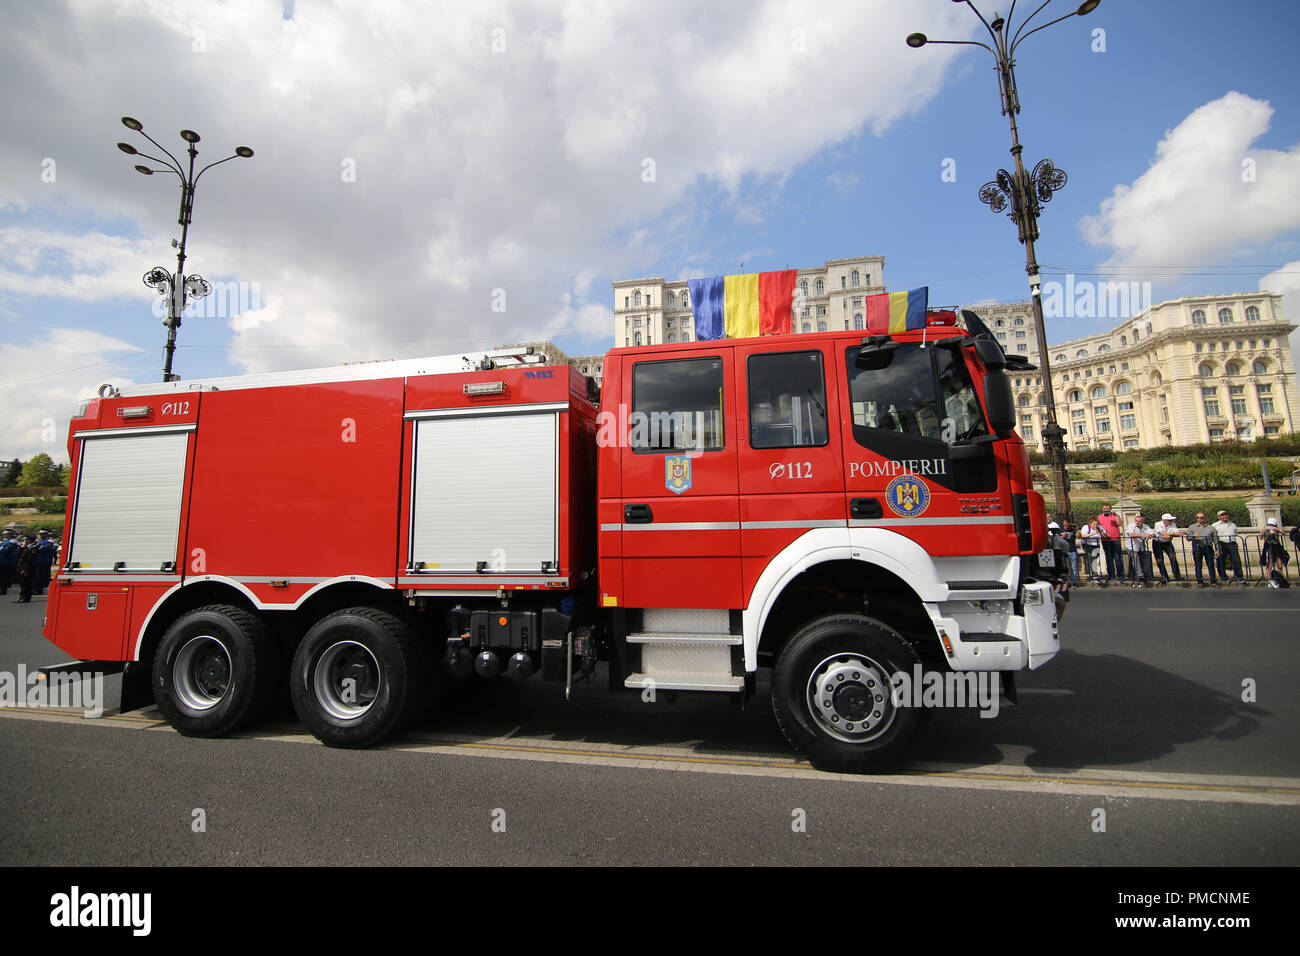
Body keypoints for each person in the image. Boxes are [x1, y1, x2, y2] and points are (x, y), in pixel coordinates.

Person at [1186, 511, 1219, 588]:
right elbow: (1188, 538)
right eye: (1198, 517)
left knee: (1211, 565)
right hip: (1197, 547)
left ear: (1205, 518)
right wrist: (1193, 536)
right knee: (1198, 565)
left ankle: (1213, 581)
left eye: (1201, 517)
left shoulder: (1211, 528)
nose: (1199, 519)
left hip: (1208, 546)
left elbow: (1215, 540)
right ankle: (1200, 582)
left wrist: (1217, 549)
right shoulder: (1192, 527)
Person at [1212, 510, 1244, 584]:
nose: (1224, 517)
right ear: (1219, 517)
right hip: (1221, 543)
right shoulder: (1215, 525)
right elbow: (1213, 535)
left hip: (1232, 543)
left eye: (1225, 515)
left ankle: (1238, 577)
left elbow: (1235, 533)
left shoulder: (1233, 525)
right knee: (1221, 561)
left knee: (1236, 561)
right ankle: (1224, 577)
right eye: (1222, 515)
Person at [1096, 504, 1124, 584]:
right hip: (1105, 539)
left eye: (1108, 508)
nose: (1106, 510)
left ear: (1110, 509)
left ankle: (1121, 576)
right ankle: (1111, 576)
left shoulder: (1115, 516)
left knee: (1118, 558)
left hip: (1115, 539)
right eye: (1105, 508)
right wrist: (1103, 533)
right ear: (1102, 509)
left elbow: (1120, 524)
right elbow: (1098, 527)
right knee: (1109, 558)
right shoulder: (1099, 517)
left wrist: (1116, 516)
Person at [1152, 513, 1183, 585]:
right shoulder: (1158, 524)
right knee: (1159, 560)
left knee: (1173, 557)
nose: (1171, 521)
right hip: (1157, 542)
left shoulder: (1173, 524)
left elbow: (1178, 533)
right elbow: (1163, 534)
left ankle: (1177, 575)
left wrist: (1168, 534)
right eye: (1169, 520)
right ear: (1164, 520)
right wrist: (1171, 534)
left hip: (1167, 542)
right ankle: (1165, 576)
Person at [1125, 513, 1154, 587]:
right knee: (1136, 560)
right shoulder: (1131, 526)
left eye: (1140, 521)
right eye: (1136, 521)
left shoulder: (1145, 526)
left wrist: (1151, 535)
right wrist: (1143, 535)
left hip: (1141, 547)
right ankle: (1140, 577)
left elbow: (1152, 532)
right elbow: (1131, 534)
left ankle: (1134, 576)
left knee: (1142, 562)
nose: (1138, 522)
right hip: (1131, 546)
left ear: (1142, 522)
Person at [1260, 517, 1290, 588]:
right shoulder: (1265, 529)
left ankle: (1280, 579)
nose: (1271, 526)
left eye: (1272, 525)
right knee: (1269, 565)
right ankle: (1270, 581)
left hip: (1277, 547)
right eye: (1270, 524)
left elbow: (1284, 534)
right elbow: (1261, 537)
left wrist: (1278, 530)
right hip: (1269, 548)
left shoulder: (1276, 529)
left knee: (1279, 565)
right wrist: (1262, 531)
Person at [14, 533, 37, 603]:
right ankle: (22, 596)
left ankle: (26, 597)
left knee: (27, 584)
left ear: (29, 540)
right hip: (22, 568)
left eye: (26, 540)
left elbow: (30, 561)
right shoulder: (27, 547)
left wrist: (26, 570)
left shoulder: (33, 548)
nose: (24, 541)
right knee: (22, 583)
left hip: (27, 569)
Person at [1078, 518, 1102, 584]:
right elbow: (1083, 535)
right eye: (1094, 524)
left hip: (1096, 545)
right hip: (1088, 545)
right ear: (1090, 524)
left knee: (1094, 559)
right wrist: (1093, 533)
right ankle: (1093, 575)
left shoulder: (1098, 528)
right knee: (1090, 559)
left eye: (1097, 524)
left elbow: (1103, 534)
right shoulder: (1086, 527)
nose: (1095, 526)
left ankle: (1095, 575)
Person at [34, 529, 56, 595]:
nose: (40, 535)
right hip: (38, 561)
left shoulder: (49, 541)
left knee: (42, 576)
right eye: (40, 534)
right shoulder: (40, 541)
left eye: (42, 534)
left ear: (46, 534)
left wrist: (37, 547)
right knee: (38, 576)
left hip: (44, 561)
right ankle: (37, 588)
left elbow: (44, 549)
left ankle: (40, 589)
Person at [1059, 517, 1079, 585]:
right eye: (1065, 525)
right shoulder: (1060, 530)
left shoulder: (1072, 530)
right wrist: (1063, 536)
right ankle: (1066, 581)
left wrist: (1076, 529)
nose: (1066, 527)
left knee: (1074, 567)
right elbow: (1057, 539)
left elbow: (1079, 536)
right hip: (1064, 551)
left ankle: (1073, 582)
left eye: (1067, 525)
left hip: (1072, 550)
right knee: (1064, 567)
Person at [0, 529, 19, 596]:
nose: (4, 535)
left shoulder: (12, 541)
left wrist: (1, 548)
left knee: (3, 576)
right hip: (3, 560)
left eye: (6, 534)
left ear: (10, 534)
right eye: (4, 534)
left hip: (5, 560)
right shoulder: (5, 541)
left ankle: (3, 589)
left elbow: (6, 550)